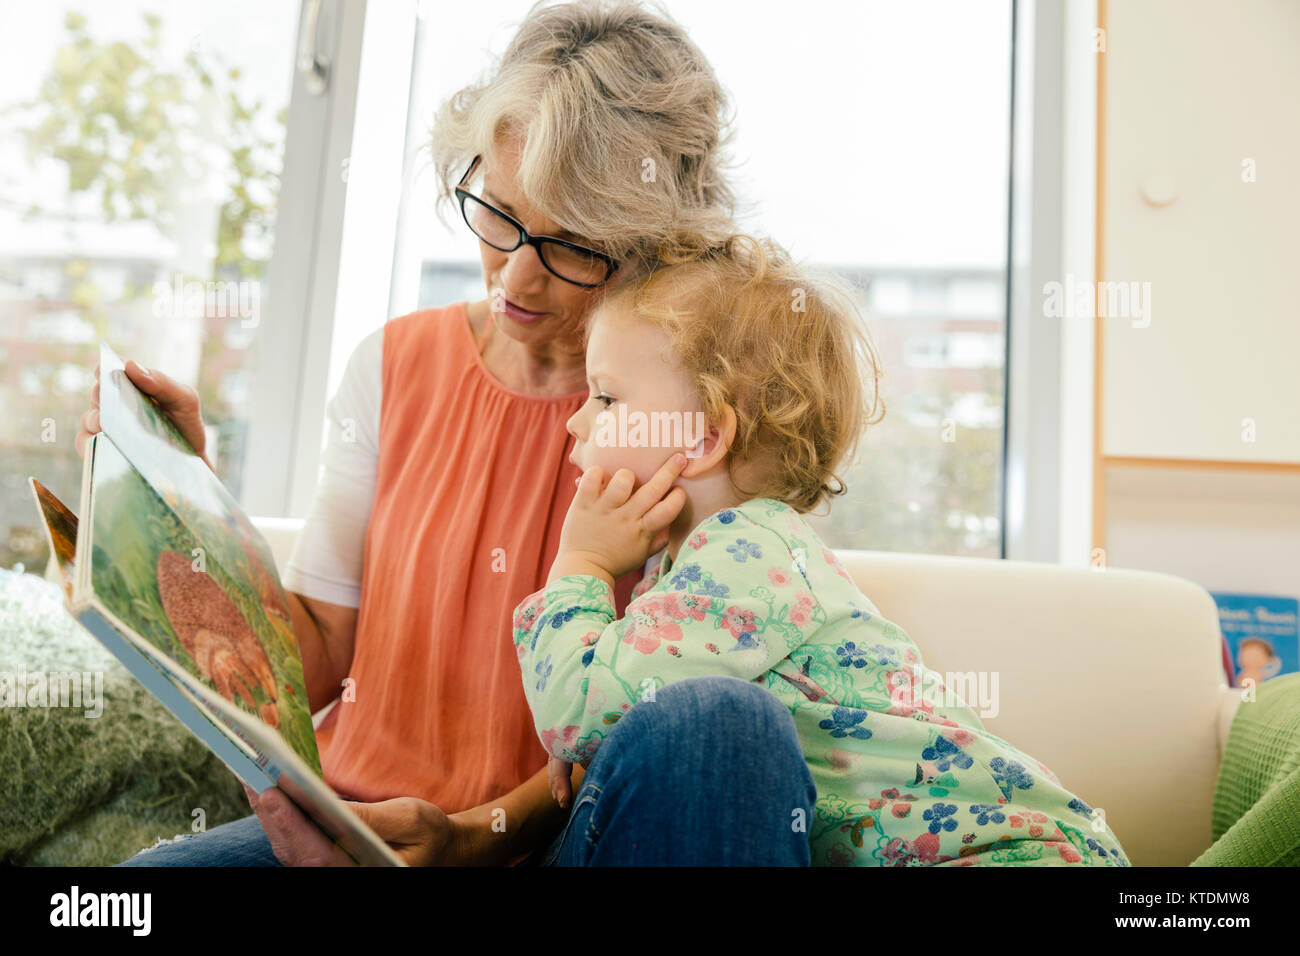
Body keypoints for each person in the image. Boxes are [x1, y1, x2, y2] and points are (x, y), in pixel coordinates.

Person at [77, 0, 741, 866]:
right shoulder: (390, 365)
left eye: (572, 244)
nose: (517, 273)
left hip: (557, 843)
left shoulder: (675, 412)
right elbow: (310, 665)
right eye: (497, 213)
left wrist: (472, 836)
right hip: (360, 827)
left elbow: (649, 720)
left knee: (724, 726)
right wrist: (185, 500)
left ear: (651, 244)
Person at [512, 235, 1132, 865]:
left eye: (607, 397)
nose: (576, 420)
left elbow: (574, 710)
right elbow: (600, 723)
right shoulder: (699, 572)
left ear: (703, 437)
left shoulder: (747, 554)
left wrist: (581, 564)